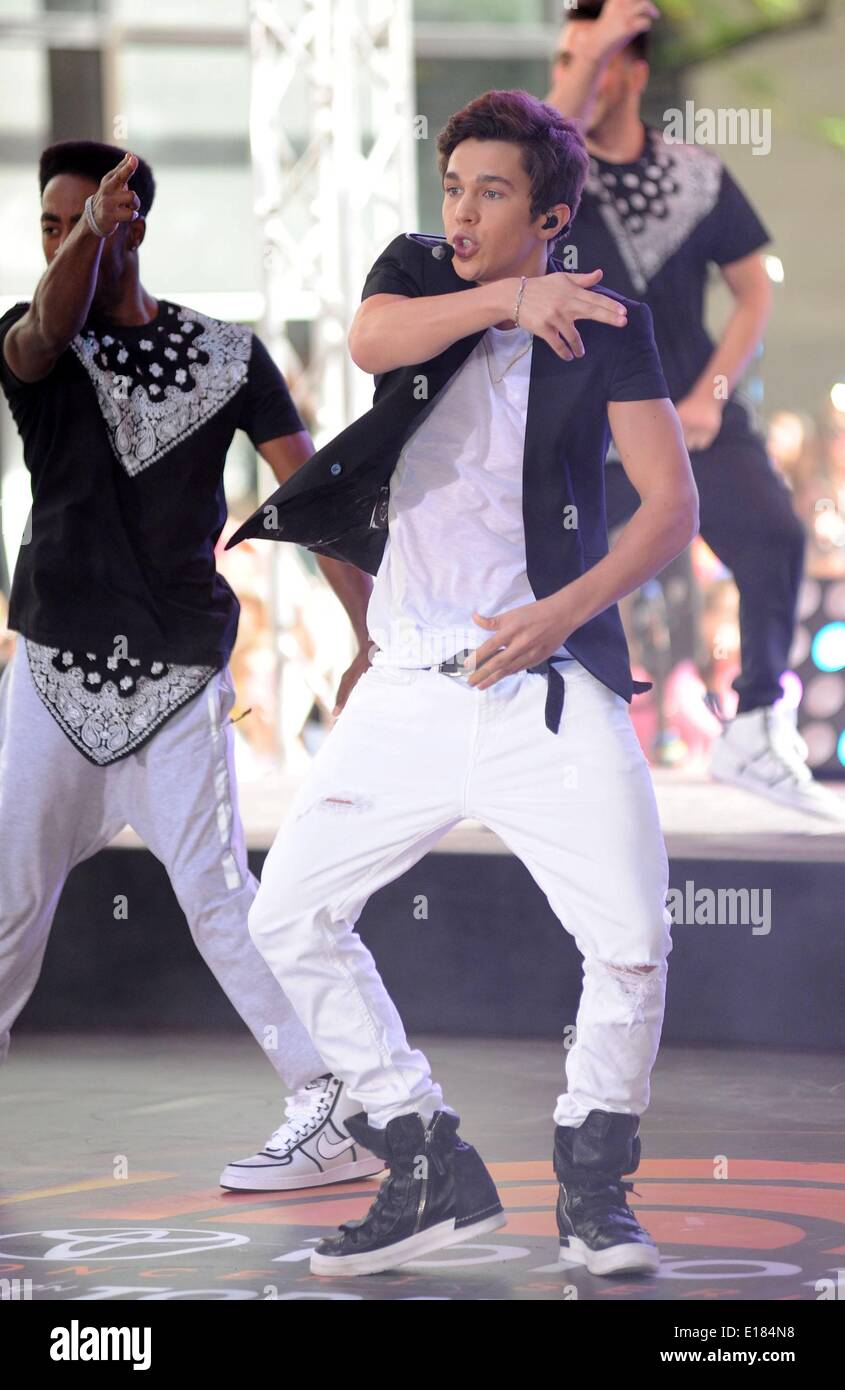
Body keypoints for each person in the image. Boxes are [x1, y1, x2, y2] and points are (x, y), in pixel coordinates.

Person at [227, 89, 698, 1277]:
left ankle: (594, 1190)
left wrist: (559, 614)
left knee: (634, 940)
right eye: (453, 188)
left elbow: (668, 509)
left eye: (492, 194)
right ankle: (425, 1156)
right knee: (288, 914)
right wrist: (502, 297)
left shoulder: (609, 325)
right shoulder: (423, 275)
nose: (463, 211)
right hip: (407, 687)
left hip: (545, 680)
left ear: (549, 215)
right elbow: (374, 339)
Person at [0, 140, 383, 1192]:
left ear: (138, 225)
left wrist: (367, 636)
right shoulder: (28, 343)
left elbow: (312, 493)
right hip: (48, 678)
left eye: (88, 217)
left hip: (175, 679)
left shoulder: (228, 353)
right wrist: (83, 237)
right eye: (49, 222)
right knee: (5, 901)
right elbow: (47, 329)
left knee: (223, 900)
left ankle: (331, 1108)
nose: (63, 235)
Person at [546, 0, 844, 820]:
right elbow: (549, 128)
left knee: (774, 537)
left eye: (596, 59)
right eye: (564, 59)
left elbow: (752, 291)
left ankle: (752, 723)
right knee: (554, 576)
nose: (567, 77)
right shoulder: (551, 172)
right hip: (572, 421)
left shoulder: (694, 174)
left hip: (684, 413)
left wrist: (709, 397)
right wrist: (593, 42)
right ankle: (549, 751)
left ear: (636, 73)